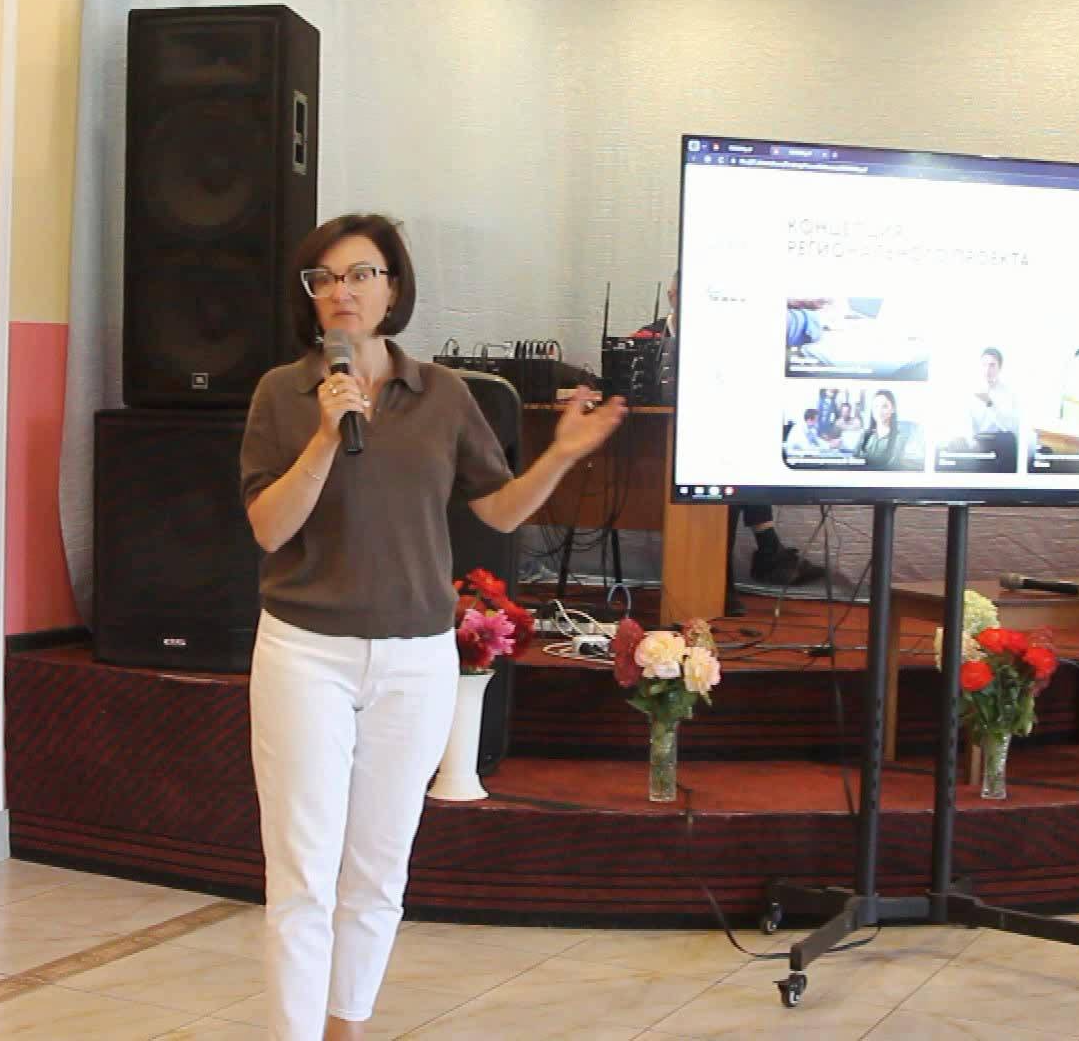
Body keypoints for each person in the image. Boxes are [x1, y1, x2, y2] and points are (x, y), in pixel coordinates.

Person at [239, 213, 627, 1041]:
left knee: (380, 869)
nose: (342, 291)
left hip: (415, 657)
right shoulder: (281, 392)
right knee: (303, 872)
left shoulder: (443, 394)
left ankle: (347, 1027)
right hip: (306, 652)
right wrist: (324, 436)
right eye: (323, 278)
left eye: (361, 274)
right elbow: (270, 528)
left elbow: (499, 510)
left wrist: (560, 454)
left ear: (394, 289)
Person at [659, 275, 826, 595]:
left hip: (715, 436)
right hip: (666, 442)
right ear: (671, 296)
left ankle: (744, 564)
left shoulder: (724, 336)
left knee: (742, 454)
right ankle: (764, 550)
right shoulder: (650, 337)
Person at [858, 389, 921, 470]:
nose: (879, 411)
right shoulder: (865, 436)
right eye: (876, 406)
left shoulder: (900, 438)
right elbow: (854, 461)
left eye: (884, 406)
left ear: (893, 409)